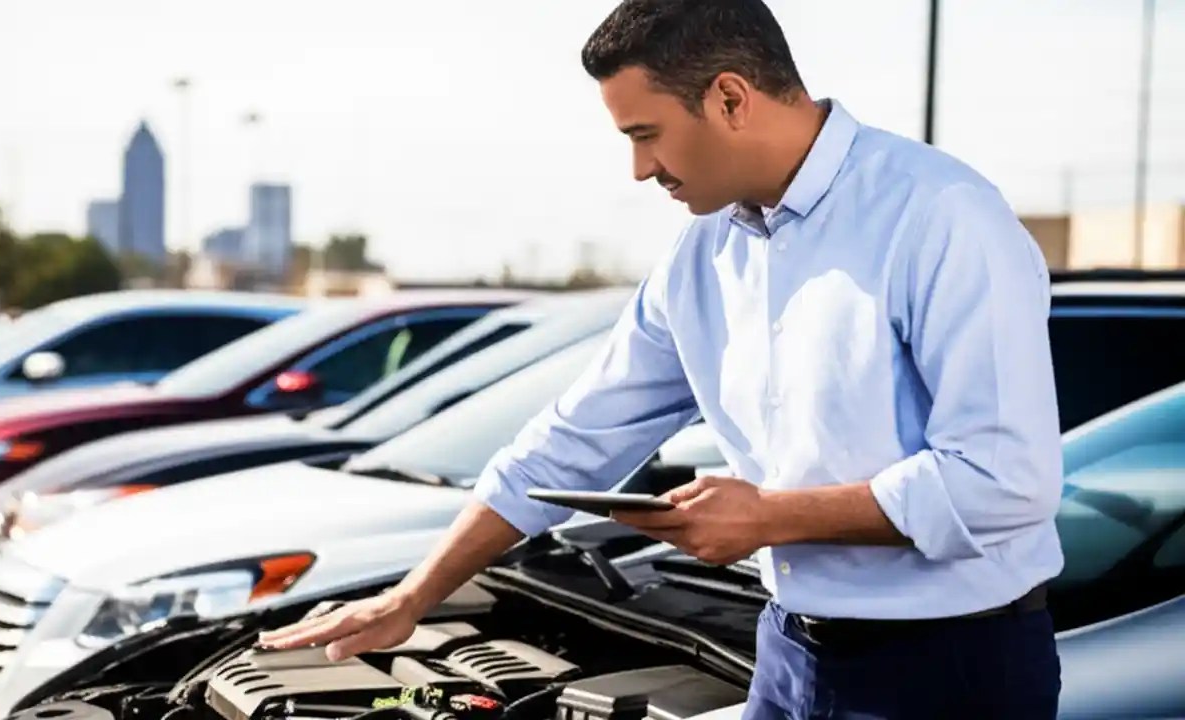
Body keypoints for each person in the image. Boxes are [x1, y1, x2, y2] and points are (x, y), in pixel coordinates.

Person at [260, 1, 1064, 717]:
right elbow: (573, 438)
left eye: (645, 135)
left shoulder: (943, 217)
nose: (641, 169)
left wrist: (769, 516)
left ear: (729, 98)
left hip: (949, 671)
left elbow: (1004, 480)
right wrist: (414, 594)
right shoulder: (702, 253)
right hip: (787, 655)